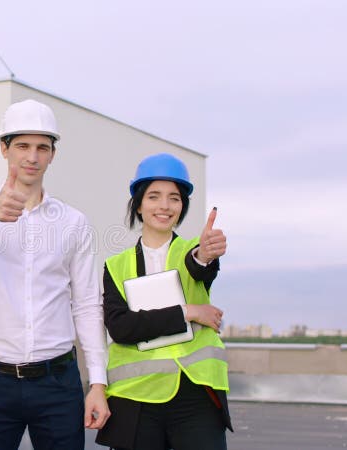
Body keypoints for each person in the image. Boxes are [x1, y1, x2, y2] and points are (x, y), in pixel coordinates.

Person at [0, 99, 111, 450]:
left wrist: (98, 383)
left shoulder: (73, 222)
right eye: (22, 146)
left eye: (42, 147)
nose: (32, 157)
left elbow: (86, 305)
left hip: (58, 382)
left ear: (53, 154)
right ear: (4, 148)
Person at [95, 153, 232, 450]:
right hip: (136, 399)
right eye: (154, 196)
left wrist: (206, 255)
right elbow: (121, 328)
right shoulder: (116, 265)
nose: (164, 206)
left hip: (194, 395)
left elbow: (200, 265)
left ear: (182, 206)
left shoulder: (193, 251)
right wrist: (188, 312)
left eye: (174, 198)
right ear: (139, 204)